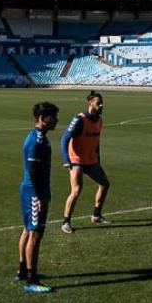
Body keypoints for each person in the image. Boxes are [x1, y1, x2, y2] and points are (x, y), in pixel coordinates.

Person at [17, 101, 59, 294]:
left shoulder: (38, 136)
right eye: (53, 117)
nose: (56, 121)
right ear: (42, 119)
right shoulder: (37, 140)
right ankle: (32, 279)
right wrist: (41, 196)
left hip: (32, 191)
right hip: (34, 192)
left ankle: (23, 270)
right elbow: (34, 171)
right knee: (35, 233)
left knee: (28, 230)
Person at [60, 91, 110, 233]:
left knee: (105, 184)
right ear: (90, 103)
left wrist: (98, 158)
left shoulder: (99, 120)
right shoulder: (79, 120)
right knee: (76, 190)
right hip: (76, 159)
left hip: (90, 159)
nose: (101, 105)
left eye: (102, 103)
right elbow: (65, 139)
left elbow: (96, 141)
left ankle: (96, 215)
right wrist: (66, 160)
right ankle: (66, 222)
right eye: (98, 103)